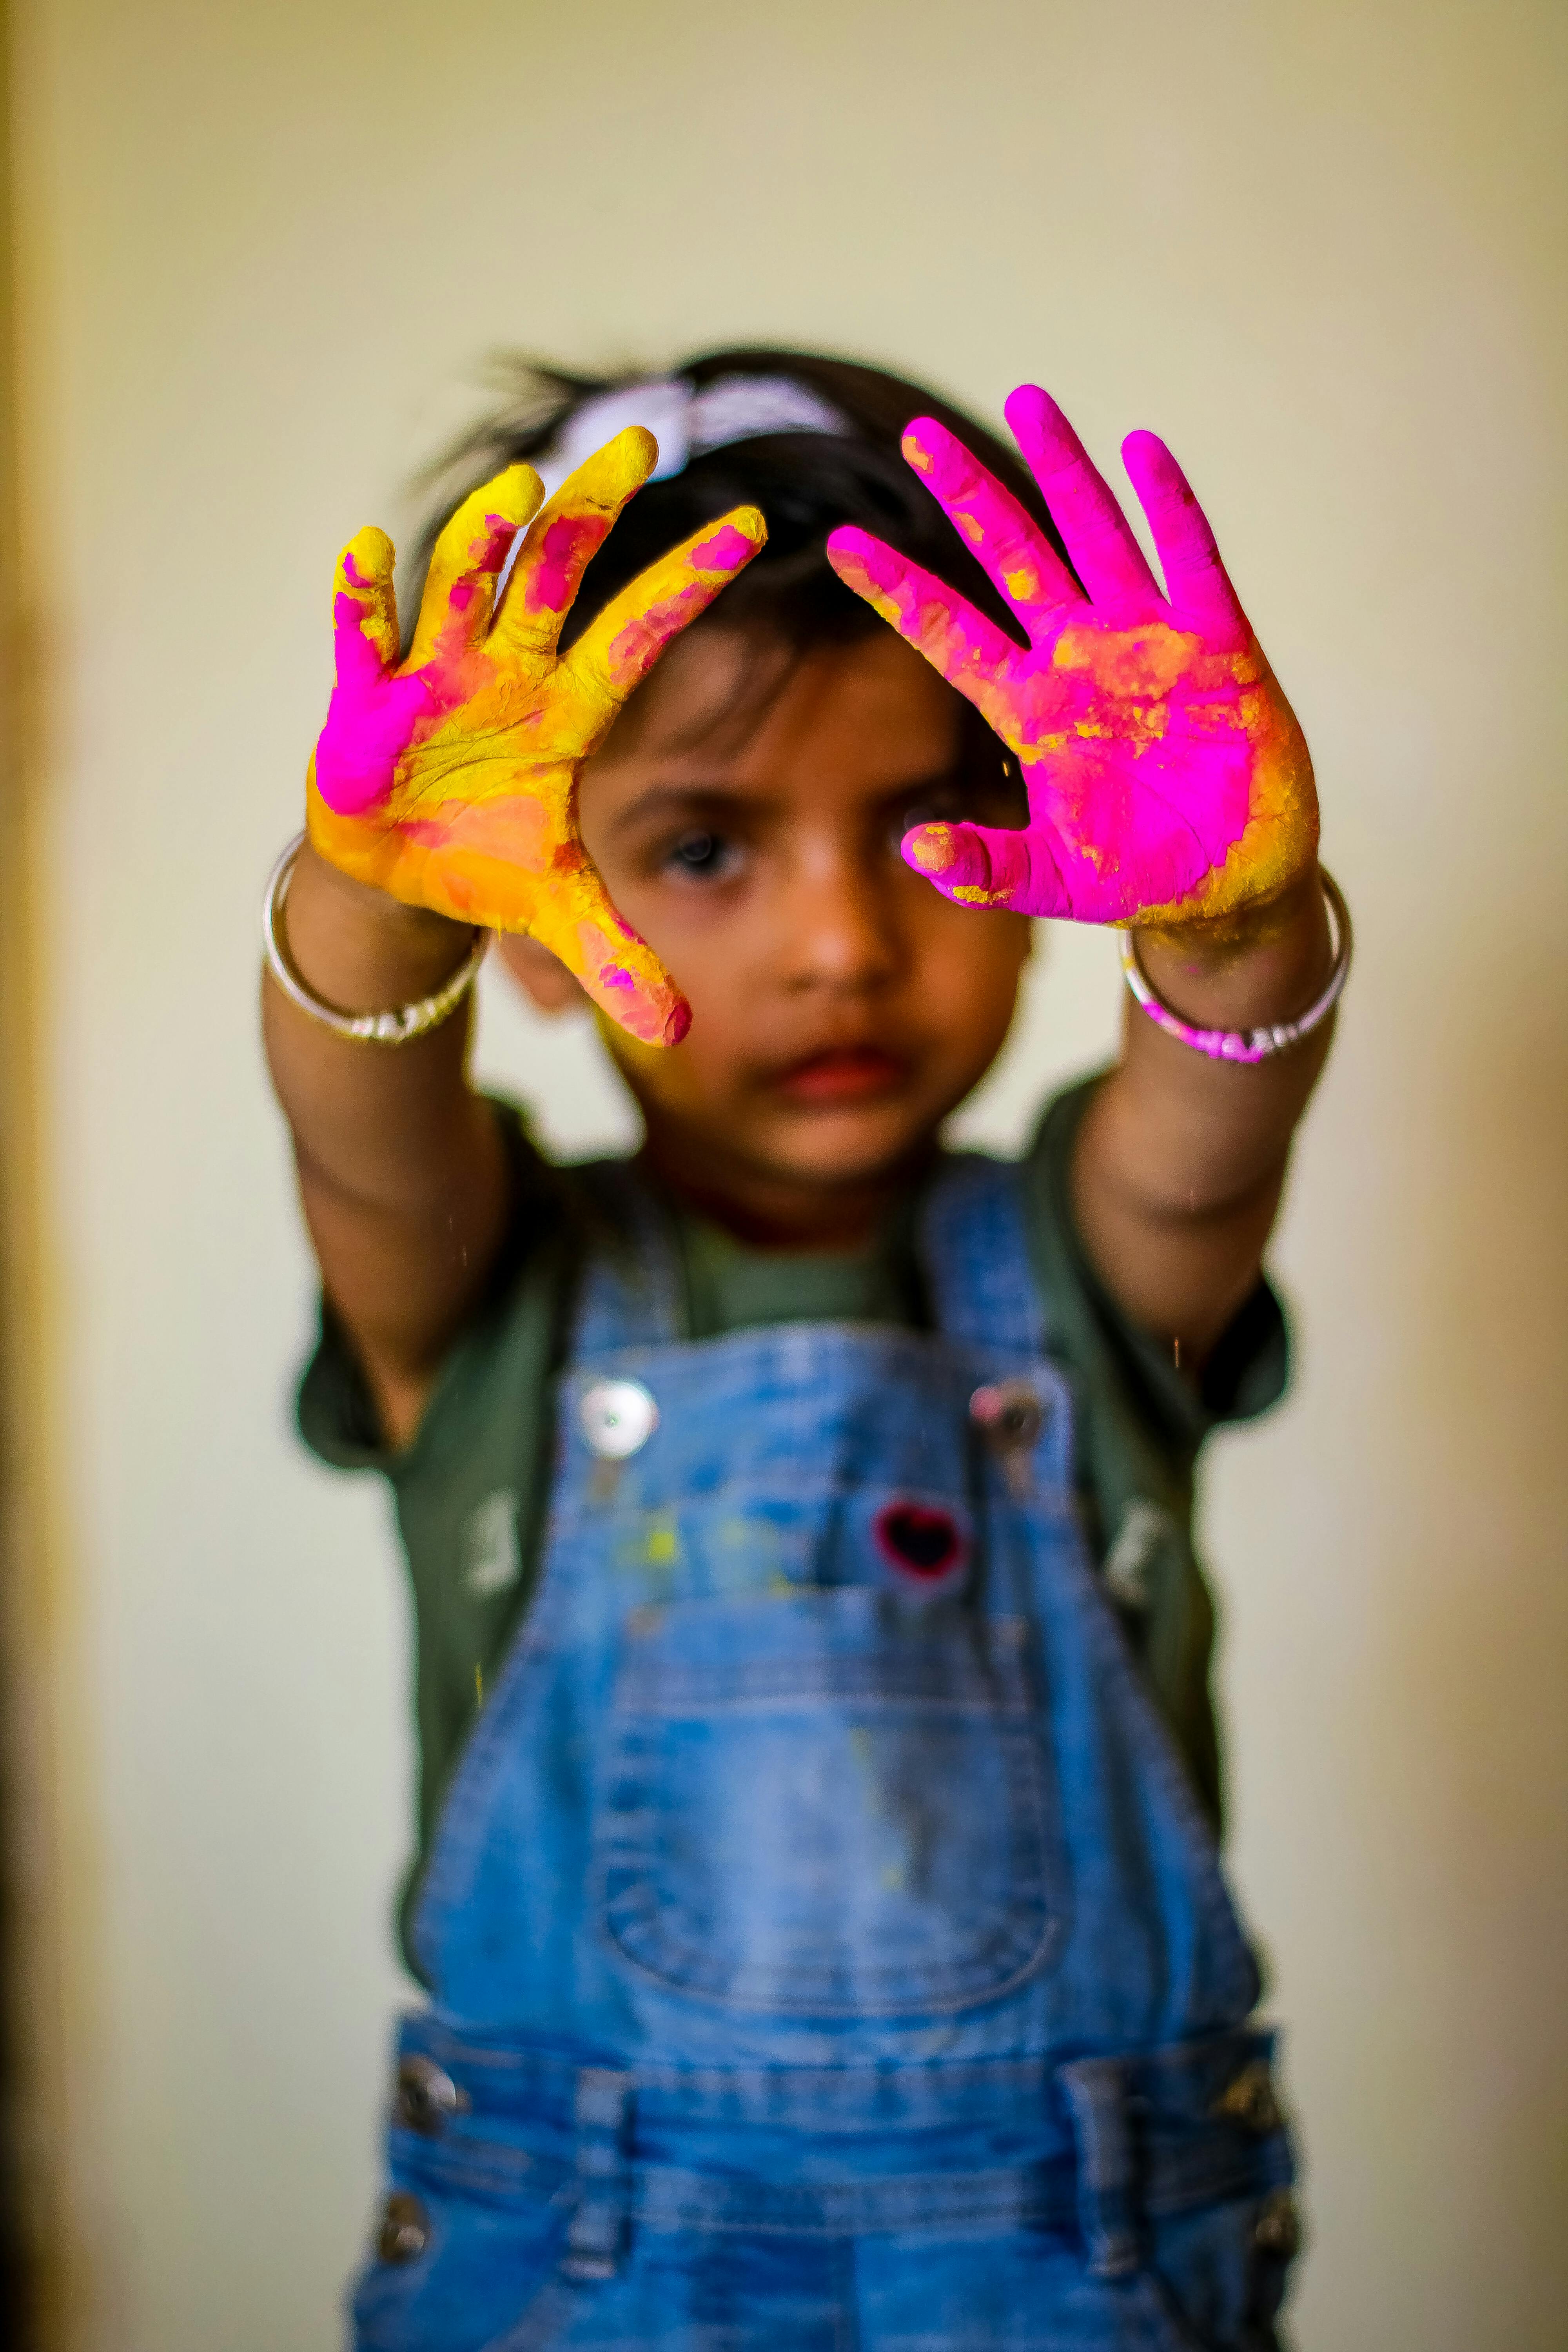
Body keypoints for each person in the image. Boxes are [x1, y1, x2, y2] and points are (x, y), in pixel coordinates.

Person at [263, 345, 1347, 2350]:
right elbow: (357, 1114)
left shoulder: (1085, 1255)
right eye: (703, 850)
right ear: (520, 899)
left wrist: (1232, 931)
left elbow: (1213, 1152)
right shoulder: (482, 1286)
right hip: (572, 2264)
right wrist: (367, 899)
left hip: (1083, 2264)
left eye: (933, 827)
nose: (841, 937)